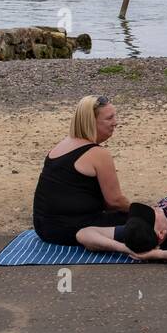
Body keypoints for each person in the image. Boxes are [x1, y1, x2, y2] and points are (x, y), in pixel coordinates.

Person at [32, 95, 131, 245]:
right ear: (92, 122)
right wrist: (143, 211)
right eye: (109, 118)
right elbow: (115, 201)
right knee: (147, 221)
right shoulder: (98, 154)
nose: (115, 123)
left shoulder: (64, 144)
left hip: (44, 227)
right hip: (69, 229)